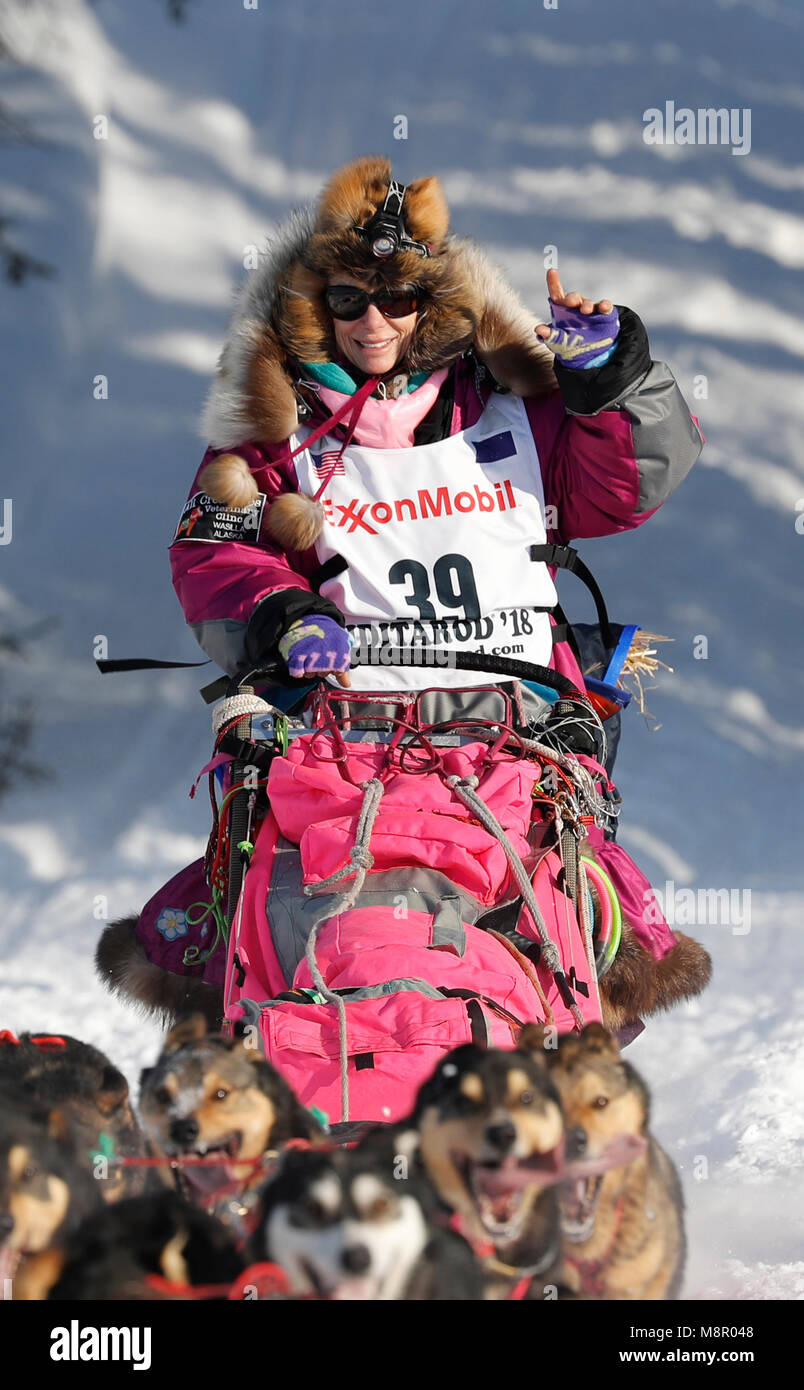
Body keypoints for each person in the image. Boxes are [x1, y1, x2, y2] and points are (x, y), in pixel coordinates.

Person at [160, 154, 710, 1008]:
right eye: (347, 299)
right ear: (316, 304)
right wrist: (281, 612)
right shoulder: (269, 432)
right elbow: (213, 553)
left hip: (516, 712)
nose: (372, 320)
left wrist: (611, 380)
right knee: (272, 888)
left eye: (398, 299)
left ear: (434, 306)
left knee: (566, 908)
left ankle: (553, 1048)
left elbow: (625, 488)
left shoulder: (517, 404)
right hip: (337, 720)